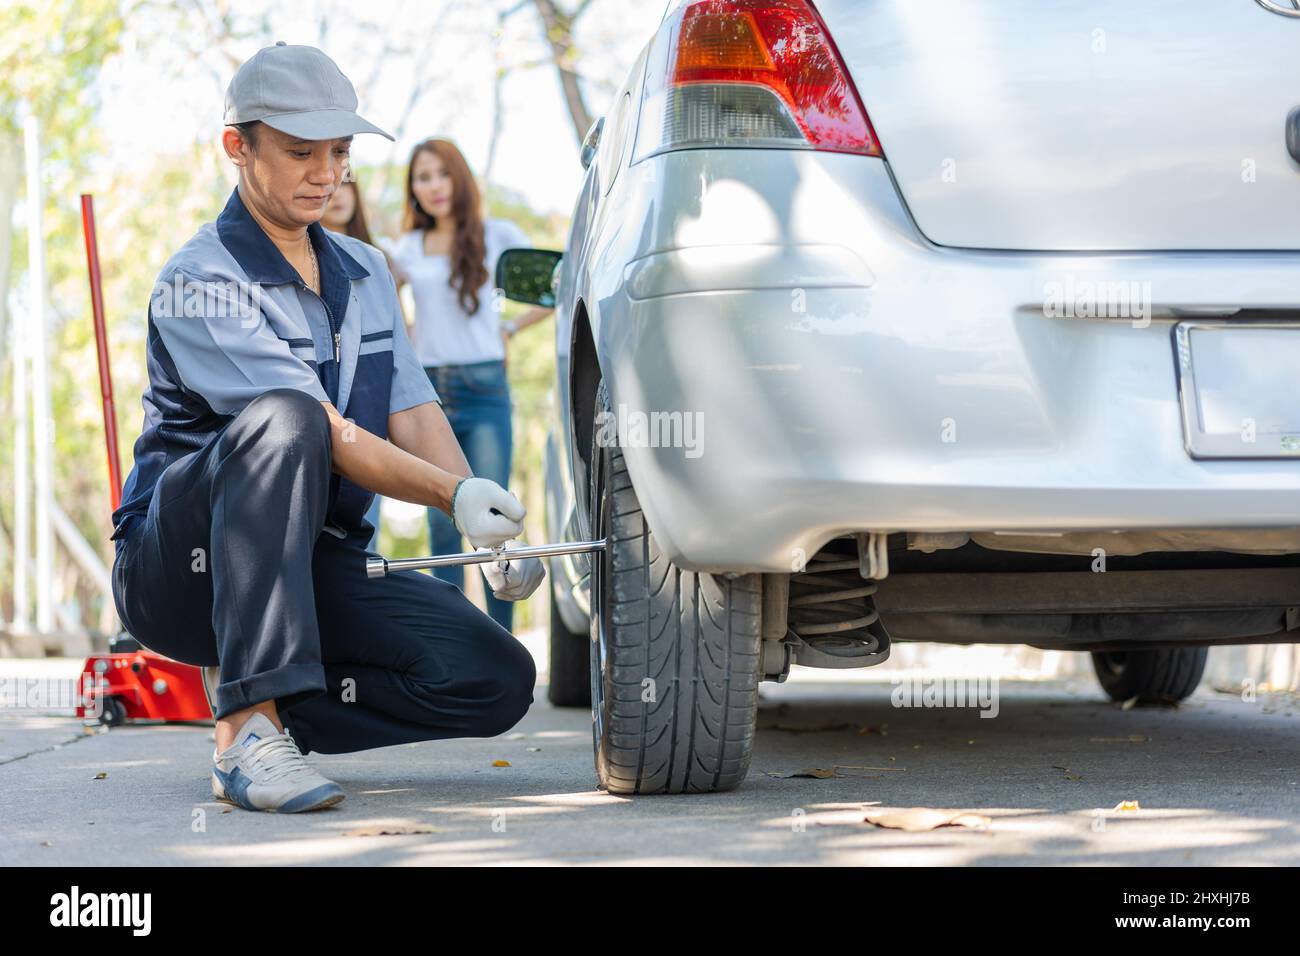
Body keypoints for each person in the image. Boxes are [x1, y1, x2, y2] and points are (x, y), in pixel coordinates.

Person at [108, 42, 545, 814]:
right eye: (300, 151)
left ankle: (282, 706)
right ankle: (245, 731)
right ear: (236, 147)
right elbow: (328, 431)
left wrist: (488, 527)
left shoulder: (367, 271)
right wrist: (450, 496)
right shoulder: (199, 283)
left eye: (339, 152)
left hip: (307, 563)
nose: (326, 173)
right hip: (184, 566)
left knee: (494, 676)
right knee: (288, 418)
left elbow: (410, 406)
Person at [385, 138, 552, 633]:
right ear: (412, 189)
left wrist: (511, 329)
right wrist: (410, 334)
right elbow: (388, 310)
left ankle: (502, 644)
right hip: (428, 394)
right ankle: (453, 646)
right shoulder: (406, 248)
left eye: (441, 174)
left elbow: (556, 284)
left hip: (484, 389)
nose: (433, 186)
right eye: (422, 177)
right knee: (443, 519)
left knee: (495, 519)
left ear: (459, 178)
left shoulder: (497, 234)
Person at [319, 174, 404, 551]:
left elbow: (399, 350)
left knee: (366, 527)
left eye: (347, 181)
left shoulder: (375, 262)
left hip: (369, 414)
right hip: (323, 419)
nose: (337, 193)